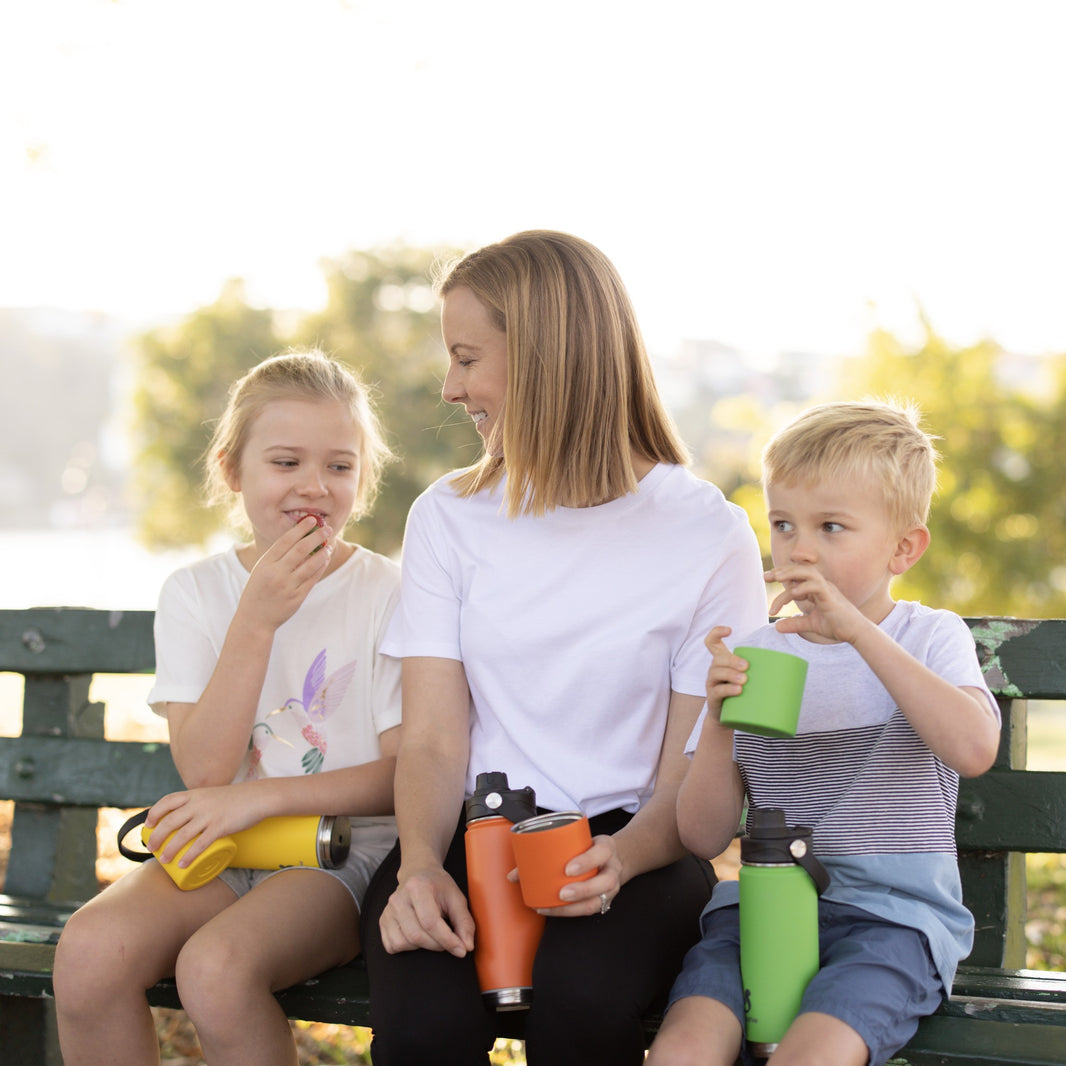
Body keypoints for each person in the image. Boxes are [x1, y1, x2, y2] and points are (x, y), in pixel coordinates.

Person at [359, 230, 768, 1066]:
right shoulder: (448, 516)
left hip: (638, 847)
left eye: (468, 359)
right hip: (467, 836)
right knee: (424, 1030)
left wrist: (622, 857)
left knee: (582, 1012)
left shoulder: (705, 531)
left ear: (544, 356)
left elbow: (685, 776)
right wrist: (419, 871)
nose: (450, 386)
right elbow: (435, 740)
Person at [54, 350, 403, 1066]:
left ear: (362, 478)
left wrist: (260, 801)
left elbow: (404, 773)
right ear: (231, 469)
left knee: (215, 969)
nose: (315, 486)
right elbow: (207, 768)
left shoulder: (389, 594)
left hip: (343, 857)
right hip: (226, 849)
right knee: (88, 953)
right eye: (286, 463)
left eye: (340, 466)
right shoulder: (196, 594)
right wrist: (256, 622)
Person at [646, 400, 1002, 1066]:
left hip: (891, 923)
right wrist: (721, 722)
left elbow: (976, 748)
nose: (799, 549)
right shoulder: (758, 653)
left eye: (831, 527)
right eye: (783, 525)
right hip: (761, 910)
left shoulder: (927, 637)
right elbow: (699, 835)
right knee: (681, 1051)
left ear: (903, 547)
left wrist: (861, 635)